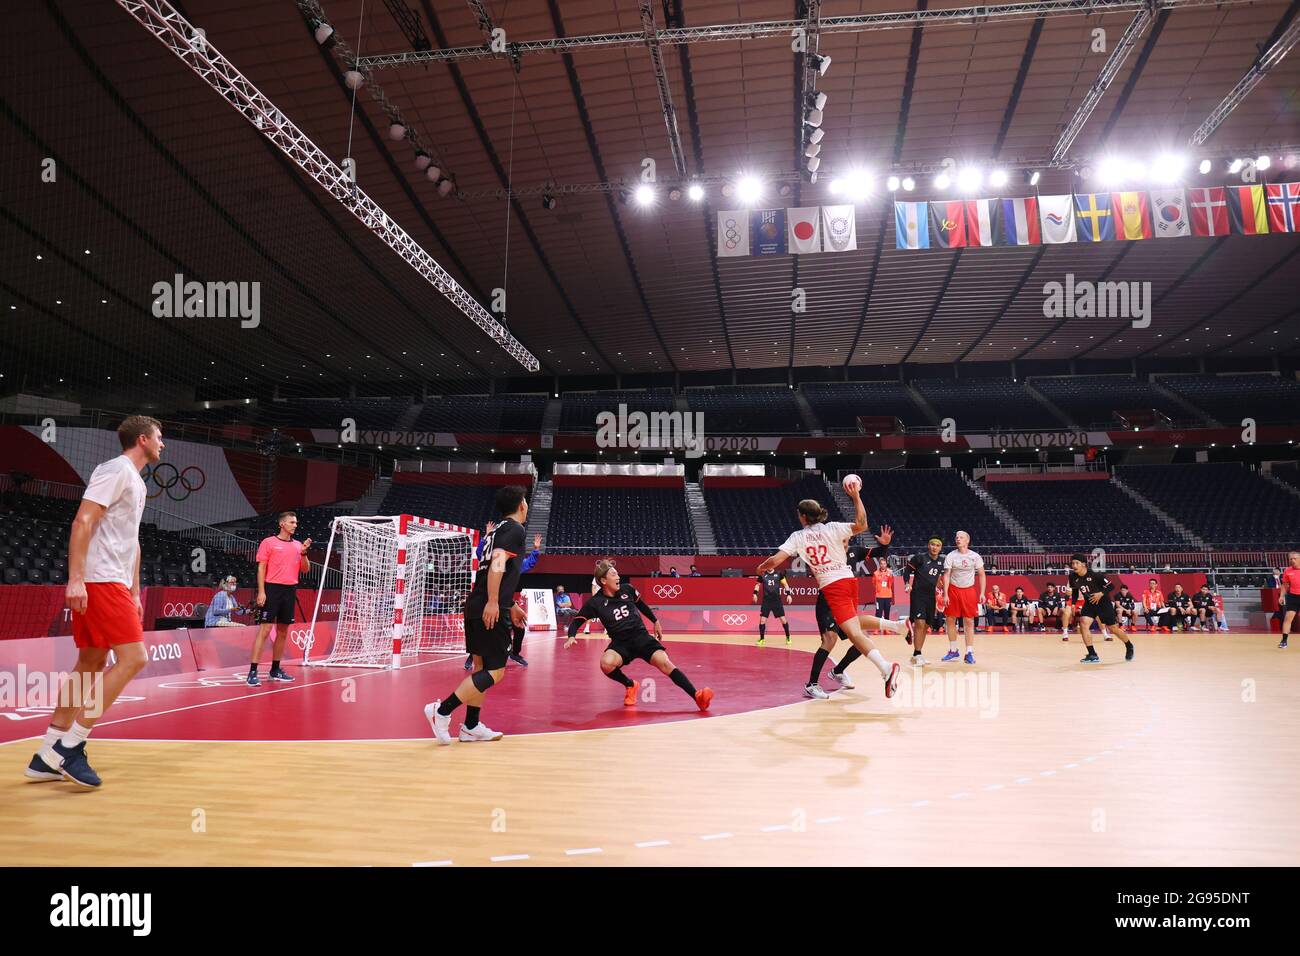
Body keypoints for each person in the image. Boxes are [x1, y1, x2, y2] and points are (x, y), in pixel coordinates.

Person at [27, 416, 163, 788]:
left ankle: (46, 753)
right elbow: (82, 522)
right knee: (135, 658)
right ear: (142, 439)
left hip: (114, 582)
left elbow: (132, 542)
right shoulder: (115, 470)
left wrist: (135, 591)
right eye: (159, 437)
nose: (162, 444)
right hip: (99, 580)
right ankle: (72, 745)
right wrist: (76, 579)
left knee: (90, 662)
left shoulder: (136, 481)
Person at [755, 486, 901, 699]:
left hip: (833, 586)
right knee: (853, 631)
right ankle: (892, 636)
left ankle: (885, 668)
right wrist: (856, 496)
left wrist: (761, 568)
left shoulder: (798, 536)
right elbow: (862, 524)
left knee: (854, 633)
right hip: (850, 582)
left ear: (802, 516)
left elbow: (776, 560)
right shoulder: (833, 527)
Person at [425, 486, 529, 744]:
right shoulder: (514, 529)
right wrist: (495, 602)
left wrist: (509, 603)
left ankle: (471, 726)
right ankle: (441, 711)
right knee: (495, 671)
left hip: (476, 604)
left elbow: (490, 573)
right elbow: (497, 563)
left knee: (481, 667)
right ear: (522, 506)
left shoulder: (496, 531)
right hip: (487, 607)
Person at [564, 560, 713, 710]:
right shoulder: (595, 603)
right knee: (606, 664)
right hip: (620, 643)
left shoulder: (627, 589)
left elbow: (641, 604)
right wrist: (571, 636)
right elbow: (577, 621)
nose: (618, 577)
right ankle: (630, 685)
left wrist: (655, 621)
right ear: (603, 580)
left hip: (641, 637)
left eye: (617, 573)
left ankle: (697, 697)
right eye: (613, 574)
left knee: (665, 663)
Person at [807, 526, 903, 696]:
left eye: (844, 540)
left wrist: (885, 545)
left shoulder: (855, 551)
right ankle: (812, 684)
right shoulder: (825, 554)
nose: (842, 543)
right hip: (828, 602)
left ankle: (838, 671)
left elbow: (878, 552)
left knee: (862, 639)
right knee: (830, 640)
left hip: (845, 603)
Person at [248, 512, 312, 686]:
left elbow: (306, 570)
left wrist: (305, 553)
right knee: (265, 629)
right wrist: (262, 592)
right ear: (282, 524)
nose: (295, 525)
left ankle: (275, 670)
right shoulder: (268, 543)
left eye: (296, 522)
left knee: (283, 631)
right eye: (292, 522)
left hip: (290, 590)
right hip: (272, 589)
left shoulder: (298, 545)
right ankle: (252, 672)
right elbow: (261, 569)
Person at [463, 530, 540, 670]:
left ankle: (515, 653)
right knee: (480, 632)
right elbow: (480, 553)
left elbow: (529, 564)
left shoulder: (514, 564)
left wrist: (535, 550)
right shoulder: (491, 559)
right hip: (485, 600)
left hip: (504, 602)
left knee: (519, 628)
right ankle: (472, 657)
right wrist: (486, 537)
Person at [1067, 554, 1134, 663]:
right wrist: (1073, 604)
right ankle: (1092, 654)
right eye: (1073, 563)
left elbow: (1111, 586)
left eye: (1076, 563)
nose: (1074, 565)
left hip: (1103, 603)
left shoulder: (1095, 575)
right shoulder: (1072, 576)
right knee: (1083, 623)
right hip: (1089, 603)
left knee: (1113, 628)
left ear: (1083, 564)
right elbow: (1075, 590)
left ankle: (1129, 645)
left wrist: (1101, 593)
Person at [940, 531, 985, 664]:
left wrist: (982, 593)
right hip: (953, 590)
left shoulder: (975, 556)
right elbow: (946, 575)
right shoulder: (951, 556)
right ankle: (953, 651)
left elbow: (982, 574)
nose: (958, 539)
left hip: (969, 590)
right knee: (950, 620)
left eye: (961, 537)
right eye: (956, 537)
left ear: (967, 541)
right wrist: (946, 593)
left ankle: (969, 652)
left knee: (969, 621)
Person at [902, 537, 945, 667]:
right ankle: (918, 653)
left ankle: (916, 655)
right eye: (932, 544)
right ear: (928, 545)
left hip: (931, 597)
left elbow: (936, 578)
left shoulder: (941, 562)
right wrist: (907, 584)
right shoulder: (919, 558)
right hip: (918, 595)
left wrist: (941, 587)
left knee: (926, 626)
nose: (934, 547)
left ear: (940, 548)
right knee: (920, 624)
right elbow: (907, 571)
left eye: (937, 545)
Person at [753, 566, 793, 646]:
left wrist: (789, 595)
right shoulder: (762, 574)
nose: (770, 566)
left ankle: (788, 637)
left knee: (783, 620)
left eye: (772, 565)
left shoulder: (779, 574)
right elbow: (757, 585)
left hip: (776, 600)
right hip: (766, 601)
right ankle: (762, 639)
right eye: (769, 564)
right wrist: (755, 594)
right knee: (762, 620)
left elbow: (785, 584)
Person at [1279, 552, 1300, 649]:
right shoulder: (1287, 571)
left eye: (1295, 558)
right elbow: (1285, 585)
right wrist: (1281, 596)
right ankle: (1284, 641)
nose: (1292, 560)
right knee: (1288, 619)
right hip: (1293, 597)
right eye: (1291, 559)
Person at [872, 558, 895, 634]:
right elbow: (874, 583)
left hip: (888, 596)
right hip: (879, 596)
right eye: (881, 564)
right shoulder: (875, 573)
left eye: (884, 564)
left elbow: (891, 583)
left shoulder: (890, 573)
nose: (883, 565)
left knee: (887, 613)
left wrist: (890, 575)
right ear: (879, 564)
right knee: (878, 613)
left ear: (886, 564)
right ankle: (876, 629)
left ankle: (886, 629)